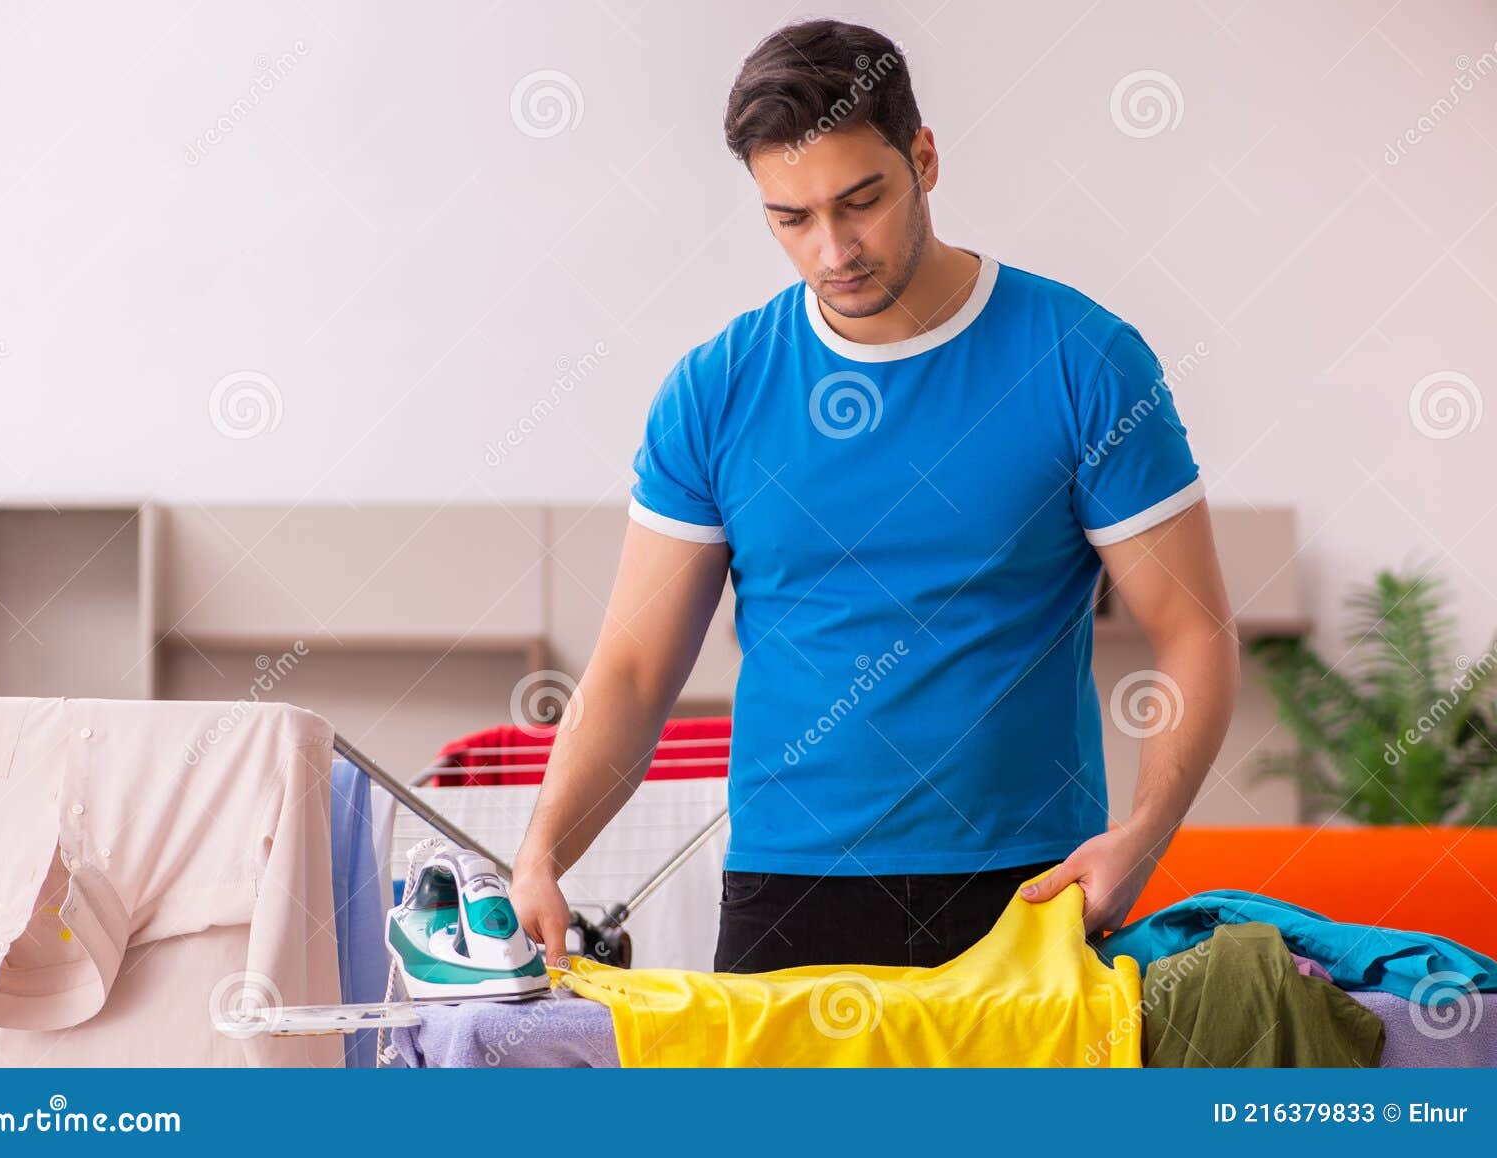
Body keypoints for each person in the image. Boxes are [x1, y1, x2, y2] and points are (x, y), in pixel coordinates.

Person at [510, 18, 1238, 974]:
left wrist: (1138, 841)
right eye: (792, 218)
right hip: (787, 896)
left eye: (862, 201)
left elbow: (1193, 632)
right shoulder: (716, 390)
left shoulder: (1084, 362)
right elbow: (639, 667)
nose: (833, 249)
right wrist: (544, 851)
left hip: (1027, 888)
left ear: (924, 159)